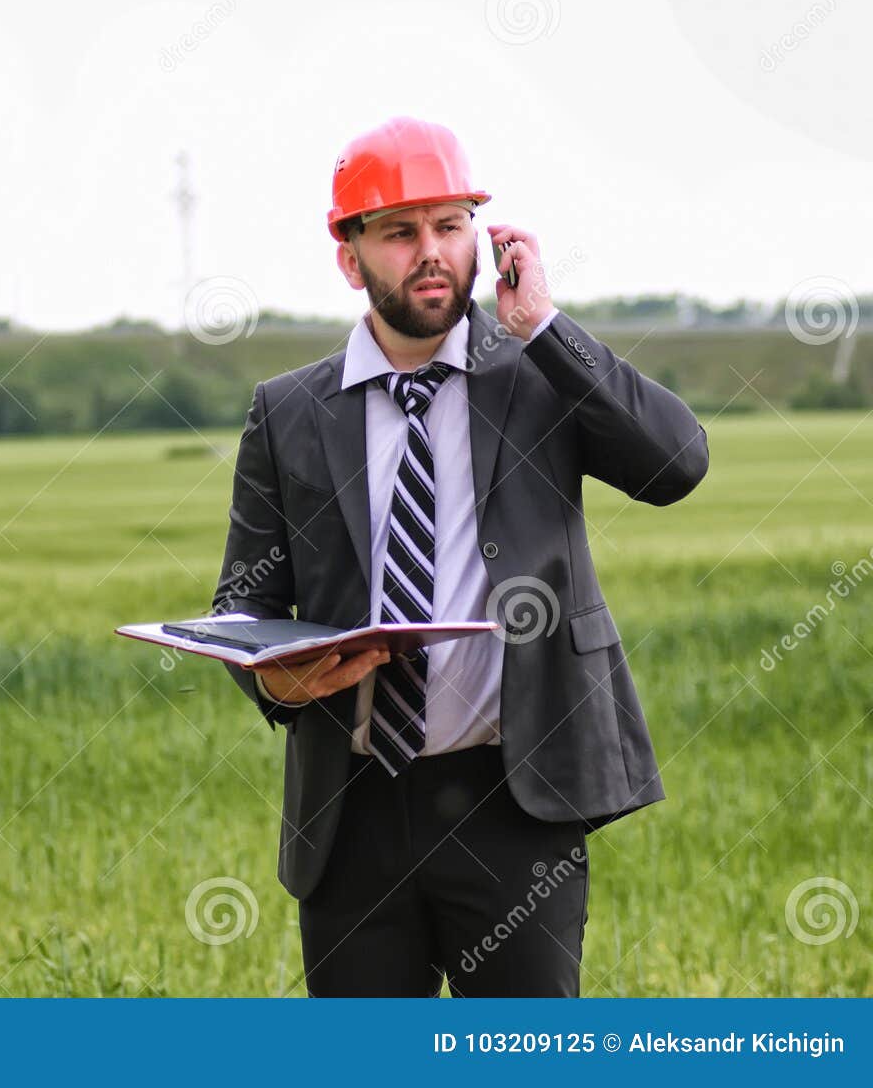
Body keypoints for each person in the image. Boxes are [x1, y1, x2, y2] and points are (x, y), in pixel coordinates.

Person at [212, 115, 708, 997]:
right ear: (350, 257)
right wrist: (278, 682)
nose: (431, 251)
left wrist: (544, 324)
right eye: (400, 233)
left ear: (482, 235)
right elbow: (242, 609)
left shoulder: (540, 374)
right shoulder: (288, 411)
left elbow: (676, 465)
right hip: (351, 813)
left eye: (450, 225)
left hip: (515, 801)